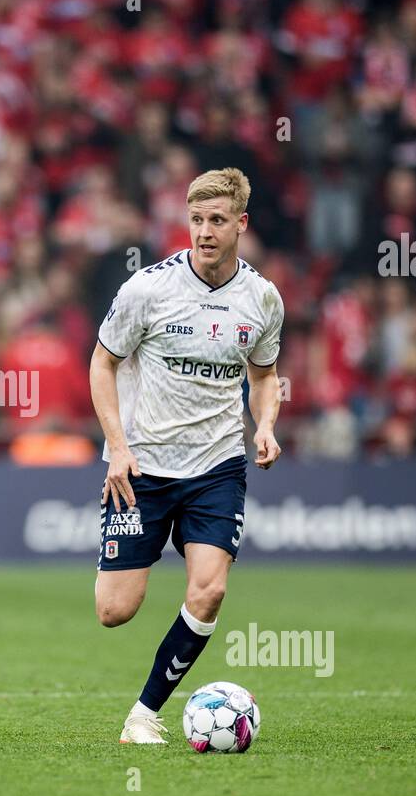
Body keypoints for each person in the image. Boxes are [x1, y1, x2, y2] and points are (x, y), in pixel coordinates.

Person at [89, 167, 285, 744]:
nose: (204, 231)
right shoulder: (147, 290)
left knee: (210, 589)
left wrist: (266, 423)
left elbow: (266, 374)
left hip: (217, 465)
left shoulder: (262, 299)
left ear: (240, 224)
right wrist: (117, 449)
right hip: (143, 465)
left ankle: (143, 715)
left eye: (217, 220)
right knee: (114, 610)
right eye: (196, 219)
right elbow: (101, 364)